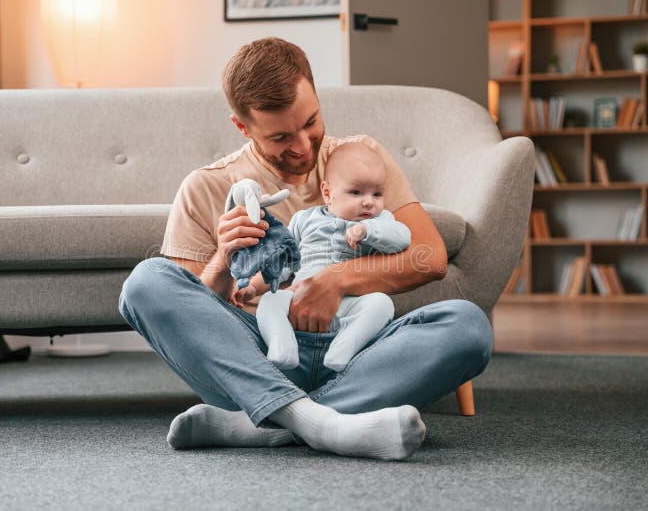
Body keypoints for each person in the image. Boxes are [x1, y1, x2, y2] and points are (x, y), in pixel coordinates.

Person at [118, 37, 493, 461]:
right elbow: (193, 319)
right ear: (242, 127)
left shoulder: (360, 160)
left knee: (469, 327)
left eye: (311, 122)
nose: (302, 147)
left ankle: (262, 425)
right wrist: (223, 260)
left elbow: (431, 255)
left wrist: (335, 280)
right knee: (145, 283)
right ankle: (325, 423)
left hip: (357, 348)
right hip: (260, 354)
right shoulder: (205, 187)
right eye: (280, 136)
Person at [247, 142, 412, 372]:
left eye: (377, 193)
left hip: (350, 303)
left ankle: (345, 346)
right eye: (356, 192)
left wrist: (368, 231)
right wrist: (253, 288)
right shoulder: (304, 219)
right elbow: (284, 260)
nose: (368, 201)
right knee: (270, 302)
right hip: (299, 300)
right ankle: (282, 344)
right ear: (327, 193)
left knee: (381, 304)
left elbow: (402, 237)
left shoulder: (380, 221)